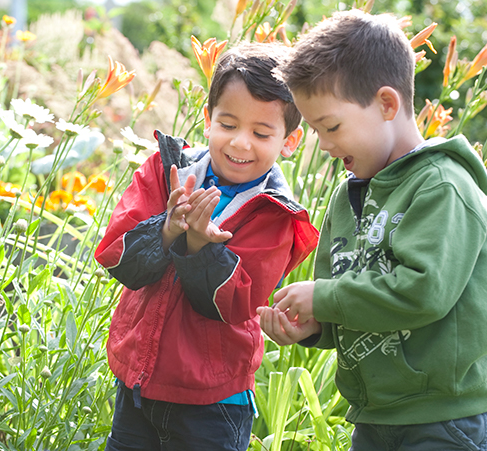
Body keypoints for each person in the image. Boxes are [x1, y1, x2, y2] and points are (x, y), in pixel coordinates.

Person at [257, 9, 487, 450]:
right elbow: (352, 300)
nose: (325, 144)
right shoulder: (347, 196)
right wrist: (316, 326)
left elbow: (422, 291)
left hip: (447, 422)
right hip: (375, 421)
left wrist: (324, 297)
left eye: (331, 126)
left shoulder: (443, 187)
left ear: (387, 104)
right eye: (316, 130)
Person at [94, 42, 319, 451]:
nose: (240, 143)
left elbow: (235, 306)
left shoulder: (276, 214)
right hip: (137, 384)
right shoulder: (167, 171)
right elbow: (116, 256)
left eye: (261, 132)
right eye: (228, 124)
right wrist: (166, 229)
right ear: (207, 119)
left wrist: (198, 246)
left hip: (212, 404)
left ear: (290, 140)